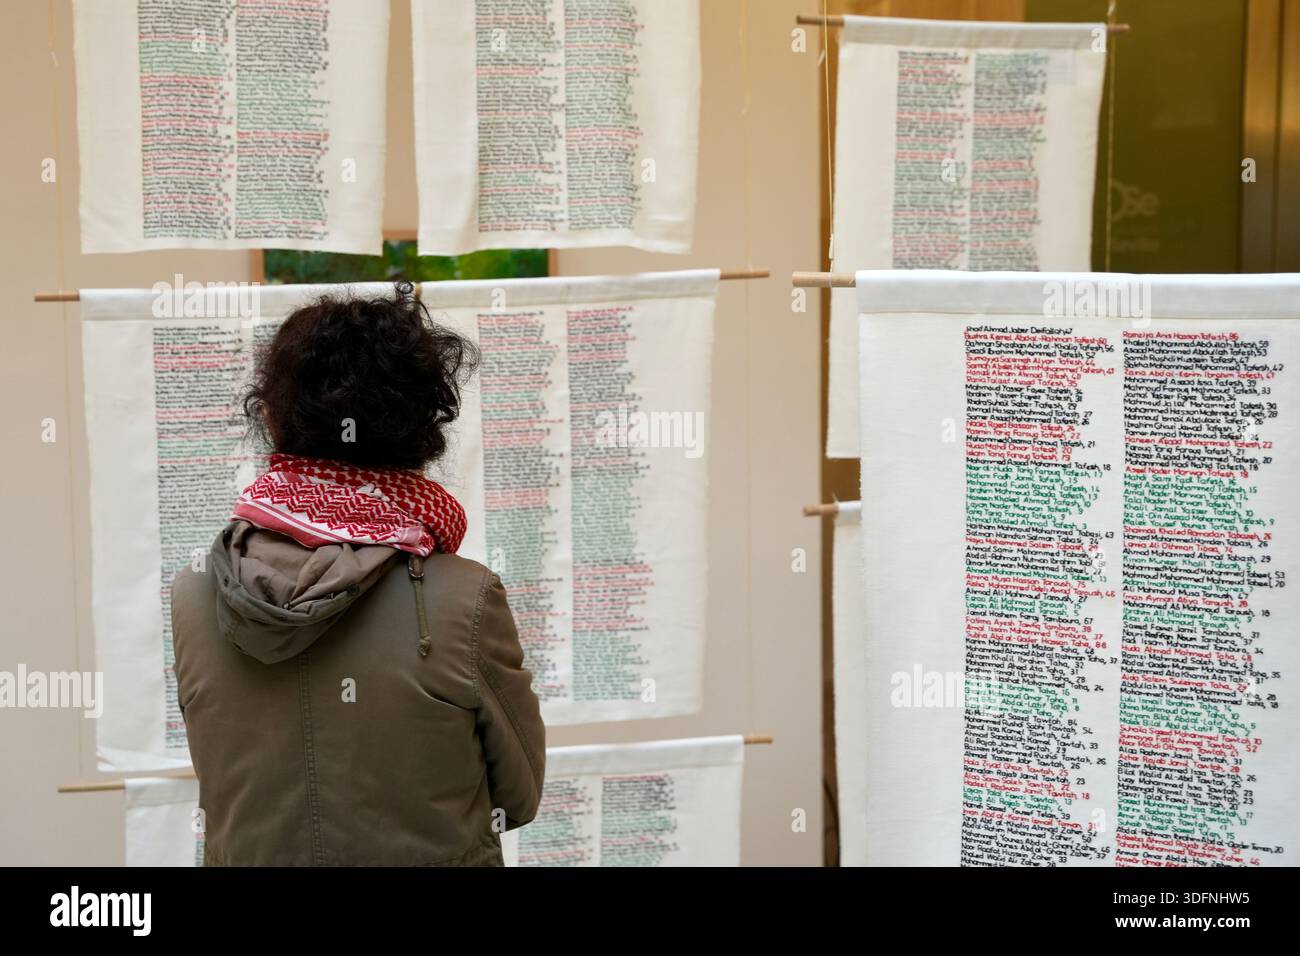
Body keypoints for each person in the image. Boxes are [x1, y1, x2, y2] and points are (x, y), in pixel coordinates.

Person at [171, 280, 544, 866]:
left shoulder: (196, 592)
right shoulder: (466, 597)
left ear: (270, 417)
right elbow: (518, 795)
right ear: (423, 433)